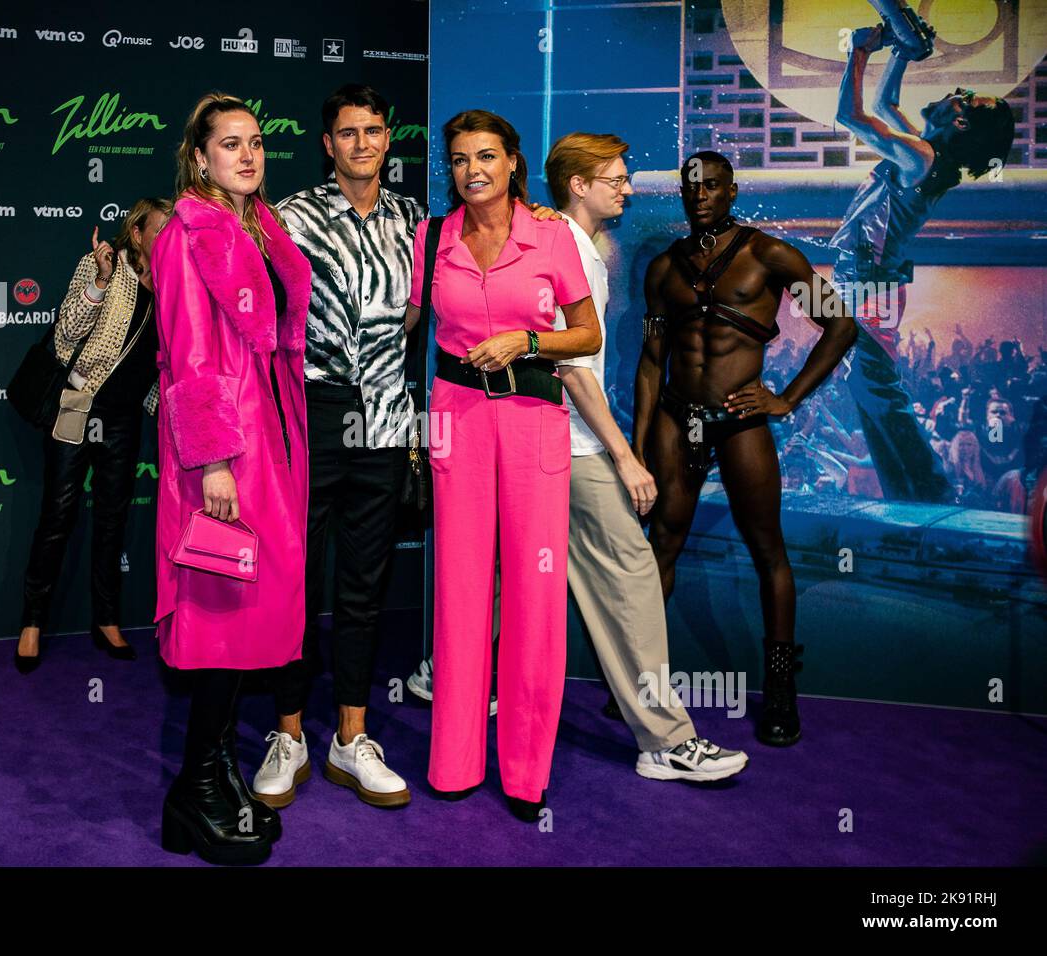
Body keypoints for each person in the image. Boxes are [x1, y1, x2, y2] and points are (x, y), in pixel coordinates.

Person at [407, 109, 601, 821]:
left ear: (513, 162)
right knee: (459, 595)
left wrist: (527, 339)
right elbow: (404, 328)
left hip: (533, 422)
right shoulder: (431, 238)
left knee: (534, 598)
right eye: (459, 160)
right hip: (456, 420)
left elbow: (588, 331)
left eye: (486, 156)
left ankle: (525, 770)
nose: (472, 171)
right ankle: (454, 761)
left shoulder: (551, 235)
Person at [635, 151, 857, 747]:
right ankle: (644, 686)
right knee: (662, 547)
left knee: (768, 552)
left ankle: (781, 692)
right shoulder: (662, 269)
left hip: (739, 419)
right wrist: (634, 451)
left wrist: (787, 399)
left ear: (731, 191)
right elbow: (653, 361)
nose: (700, 195)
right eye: (691, 188)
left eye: (711, 186)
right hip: (678, 418)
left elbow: (842, 326)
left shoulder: (770, 255)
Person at [545, 132, 748, 781]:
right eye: (615, 179)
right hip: (573, 445)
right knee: (632, 578)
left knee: (528, 577)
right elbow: (572, 369)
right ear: (579, 185)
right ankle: (664, 742)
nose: (628, 188)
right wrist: (625, 458)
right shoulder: (569, 248)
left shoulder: (570, 244)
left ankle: (463, 687)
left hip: (553, 444)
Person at [252, 85, 426, 810]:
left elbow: (423, 306)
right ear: (328, 143)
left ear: (389, 139)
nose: (362, 143)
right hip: (312, 413)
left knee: (364, 585)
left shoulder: (418, 221)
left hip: (385, 418)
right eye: (348, 133)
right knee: (295, 580)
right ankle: (289, 733)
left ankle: (351, 738)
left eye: (374, 130)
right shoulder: (288, 218)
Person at [151, 93, 311, 865]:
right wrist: (213, 457)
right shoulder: (189, 232)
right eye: (230, 145)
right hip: (224, 446)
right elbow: (187, 351)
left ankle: (218, 772)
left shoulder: (262, 225)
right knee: (221, 609)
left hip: (274, 437)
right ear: (201, 157)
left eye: (256, 142)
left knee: (261, 610)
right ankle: (196, 787)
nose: (247, 156)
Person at [833, 23, 1014, 502]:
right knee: (866, 389)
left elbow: (849, 115)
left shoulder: (922, 158)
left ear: (960, 123)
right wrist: (902, 52)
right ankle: (905, 495)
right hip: (869, 282)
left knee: (879, 391)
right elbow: (882, 107)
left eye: (967, 98)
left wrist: (859, 51)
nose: (958, 92)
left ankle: (932, 495)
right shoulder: (926, 154)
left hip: (869, 286)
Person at [14, 197, 171, 673]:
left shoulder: (172, 287)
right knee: (58, 513)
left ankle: (106, 619)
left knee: (112, 520)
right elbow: (66, 335)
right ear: (138, 233)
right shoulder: (105, 265)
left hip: (124, 420)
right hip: (79, 406)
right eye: (160, 230)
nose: (168, 239)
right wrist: (100, 282)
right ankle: (33, 622)